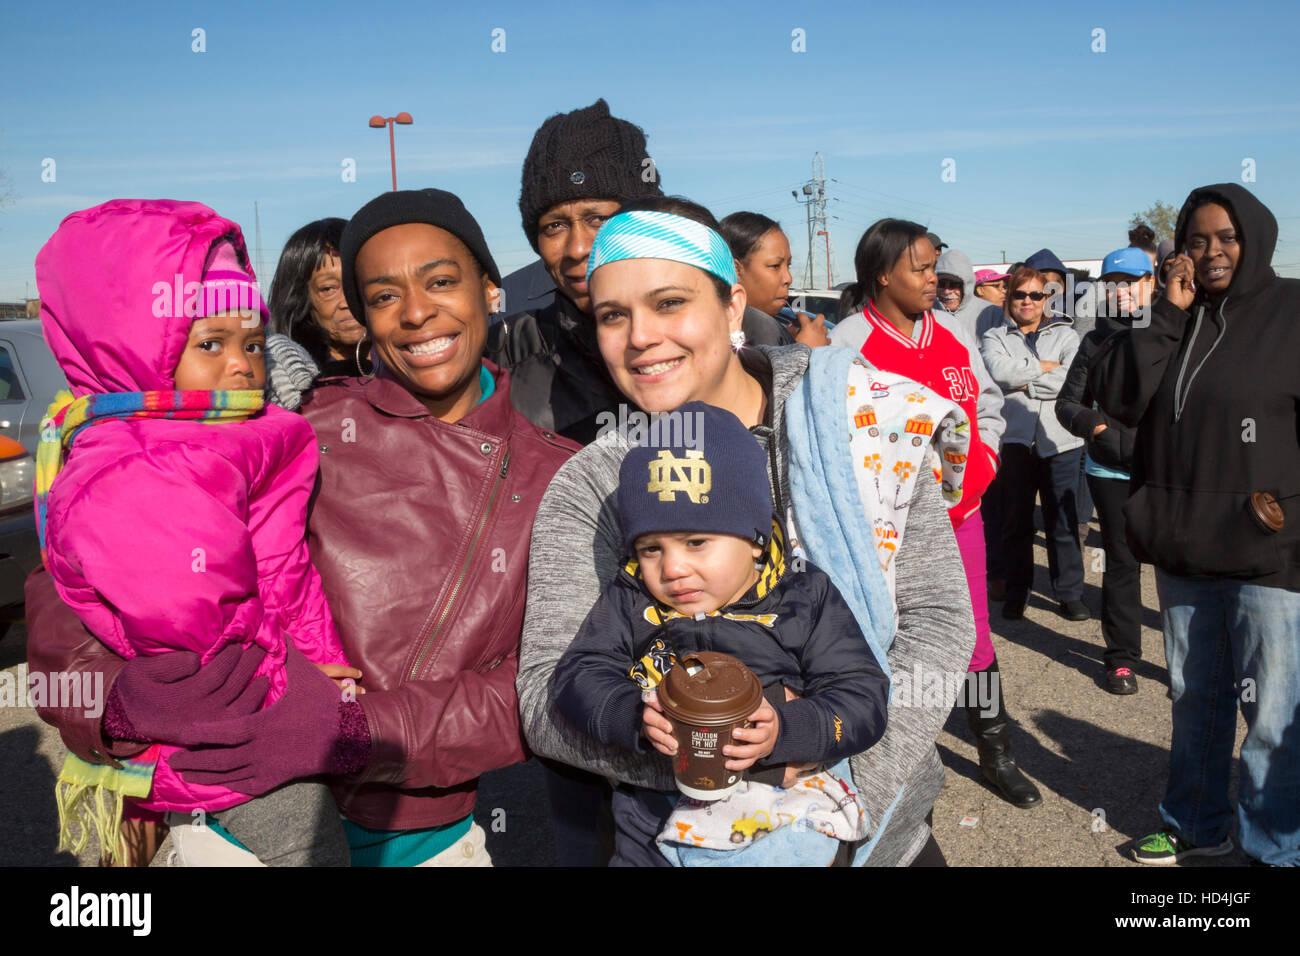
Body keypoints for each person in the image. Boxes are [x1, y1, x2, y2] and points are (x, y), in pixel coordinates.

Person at [27, 188, 578, 866]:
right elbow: (70, 585)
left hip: (422, 839)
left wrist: (351, 730)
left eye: (440, 281)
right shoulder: (291, 430)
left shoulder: (559, 476)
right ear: (361, 318)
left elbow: (552, 685)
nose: (415, 313)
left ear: (490, 289)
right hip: (229, 833)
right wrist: (121, 703)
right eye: (381, 296)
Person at [518, 196, 977, 867]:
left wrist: (838, 798)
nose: (640, 335)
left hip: (881, 839)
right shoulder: (596, 481)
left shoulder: (859, 416)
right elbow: (544, 696)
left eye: (669, 302)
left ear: (733, 306)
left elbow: (937, 621)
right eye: (613, 314)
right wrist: (722, 771)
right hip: (682, 846)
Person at [34, 199, 354, 867]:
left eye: (252, 343)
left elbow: (280, 567)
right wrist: (305, 697)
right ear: (135, 354)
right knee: (308, 847)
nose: (243, 365)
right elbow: (197, 625)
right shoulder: (143, 467)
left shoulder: (228, 440)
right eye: (210, 344)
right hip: (225, 748)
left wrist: (327, 666)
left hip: (261, 717)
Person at [554, 401, 888, 865]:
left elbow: (862, 693)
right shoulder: (631, 596)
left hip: (782, 805)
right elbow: (579, 672)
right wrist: (630, 716)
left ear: (754, 540)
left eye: (696, 542)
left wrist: (789, 729)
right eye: (651, 547)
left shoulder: (803, 594)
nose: (672, 568)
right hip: (654, 810)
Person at [1089, 183, 1300, 867]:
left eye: (1227, 237)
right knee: (1195, 701)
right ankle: (1197, 825)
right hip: (1184, 547)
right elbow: (1119, 400)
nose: (1212, 252)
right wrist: (1164, 319)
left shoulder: (1291, 311)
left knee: (1270, 717)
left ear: (1255, 239)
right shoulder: (1171, 319)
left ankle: (1275, 845)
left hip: (1270, 553)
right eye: (1198, 239)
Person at [830, 225, 1041, 808]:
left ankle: (996, 753)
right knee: (887, 641)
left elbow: (987, 401)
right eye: (920, 268)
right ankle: (887, 764)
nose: (933, 279)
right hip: (885, 533)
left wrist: (988, 455)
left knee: (974, 636)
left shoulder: (952, 332)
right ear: (881, 275)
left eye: (933, 268)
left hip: (963, 517)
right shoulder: (848, 343)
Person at [1055, 248, 1151, 695]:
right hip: (1111, 472)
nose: (1123, 291)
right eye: (1113, 282)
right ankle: (1122, 658)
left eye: (1132, 281)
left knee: (1183, 567)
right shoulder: (1094, 340)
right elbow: (1067, 403)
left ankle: (1197, 664)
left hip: (1168, 472)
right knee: (1122, 562)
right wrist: (1096, 428)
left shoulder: (1180, 334)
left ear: (1152, 283)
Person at [980, 266, 1087, 622]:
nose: (1027, 301)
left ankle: (1069, 593)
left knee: (1063, 520)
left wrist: (1023, 379)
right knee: (1016, 522)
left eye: (1035, 295)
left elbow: (1071, 380)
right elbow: (997, 373)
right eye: (1020, 294)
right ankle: (1016, 590)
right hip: (1013, 441)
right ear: (1009, 298)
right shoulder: (994, 336)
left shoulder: (1068, 336)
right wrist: (1042, 368)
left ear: (1046, 299)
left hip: (1061, 442)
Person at [266, 218, 373, 398]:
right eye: (328, 289)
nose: (346, 302)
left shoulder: (410, 362)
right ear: (301, 300)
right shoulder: (289, 385)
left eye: (355, 283)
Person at [719, 211, 830, 346]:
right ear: (735, 269)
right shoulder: (720, 338)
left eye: (788, 265)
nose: (788, 278)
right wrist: (806, 351)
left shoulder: (766, 329)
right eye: (775, 266)